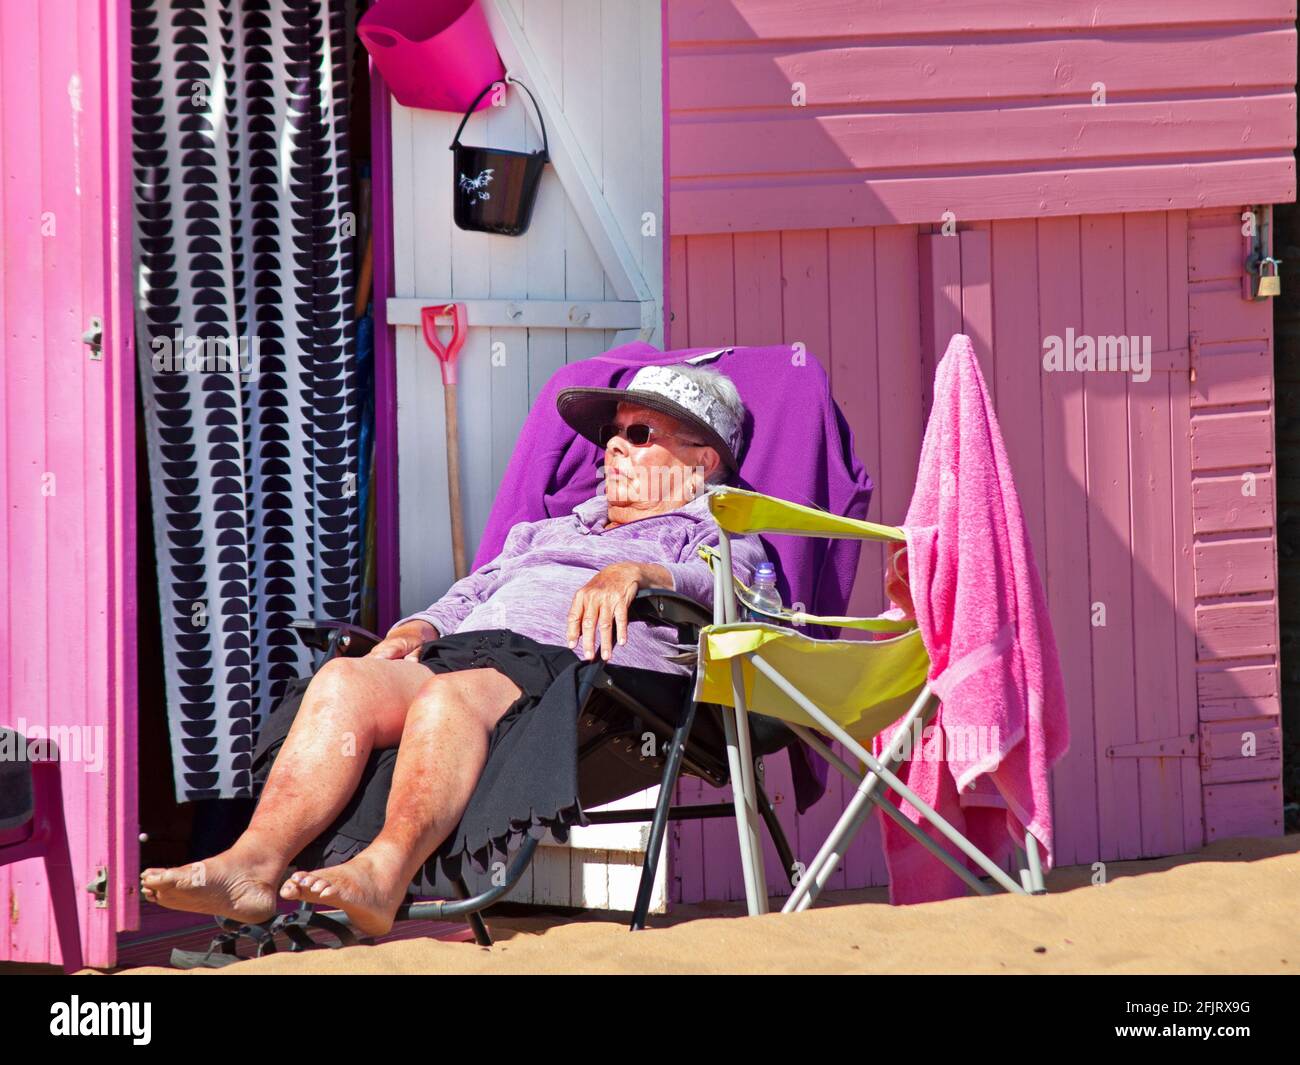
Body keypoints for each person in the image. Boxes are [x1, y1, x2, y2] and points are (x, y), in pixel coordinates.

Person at [140, 363, 767, 935]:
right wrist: (417, 629)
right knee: (342, 680)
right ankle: (253, 865)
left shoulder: (719, 525)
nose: (613, 445)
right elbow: (469, 594)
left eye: (639, 432)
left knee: (447, 698)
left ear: (700, 461)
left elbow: (740, 592)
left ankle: (382, 873)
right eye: (613, 431)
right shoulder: (550, 529)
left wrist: (640, 573)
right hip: (473, 651)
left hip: (584, 681)